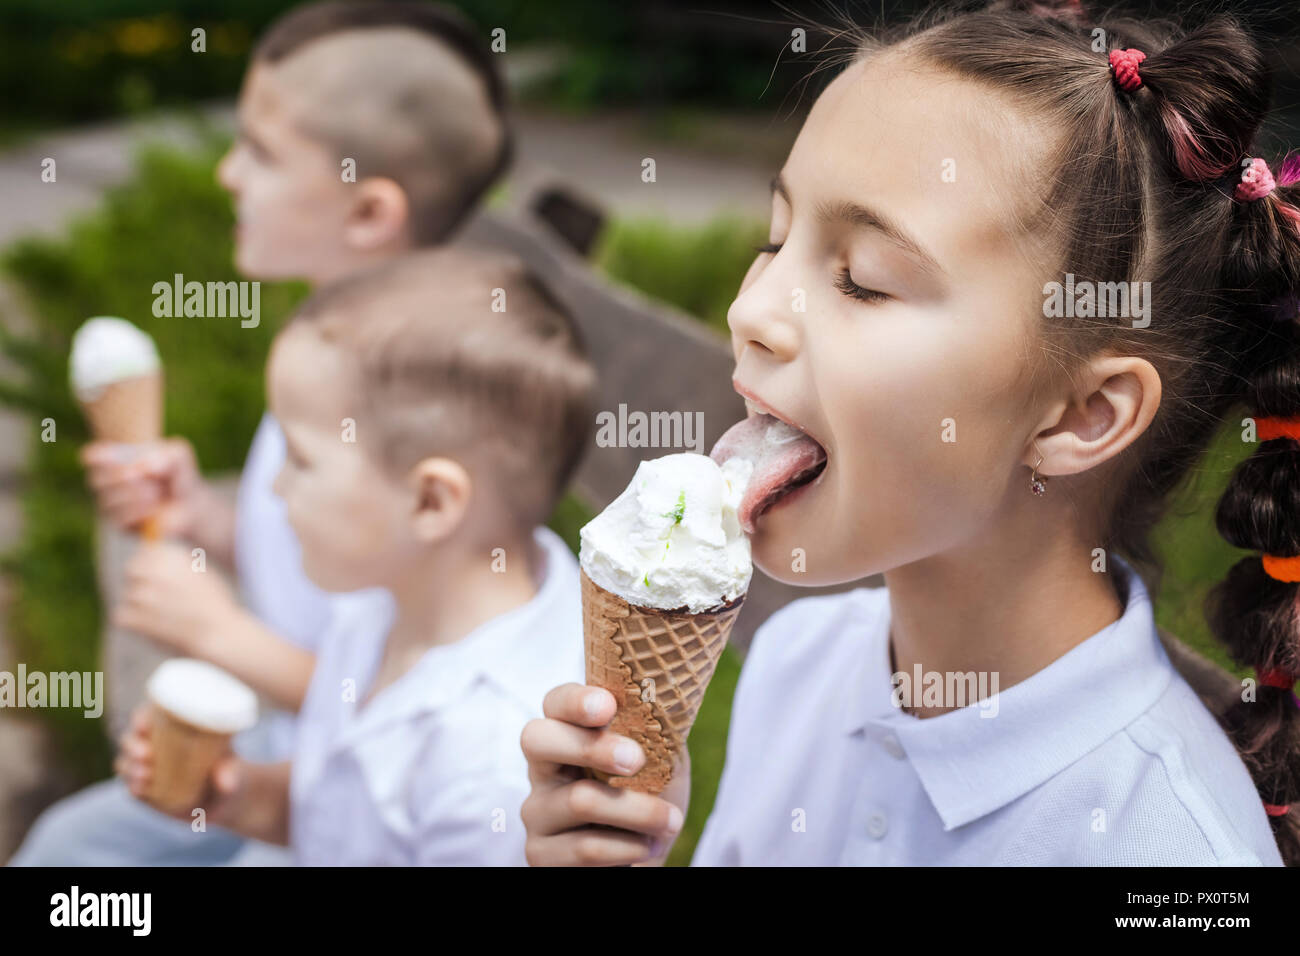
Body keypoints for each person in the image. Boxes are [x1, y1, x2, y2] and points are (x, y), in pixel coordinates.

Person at [518, 0, 1299, 865]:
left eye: (861, 280)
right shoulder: (798, 663)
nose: (752, 309)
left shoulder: (1171, 852)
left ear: (1083, 415)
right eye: (777, 240)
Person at [10, 0, 511, 866]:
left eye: (262, 151)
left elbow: (404, 702)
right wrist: (201, 513)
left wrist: (217, 634)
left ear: (368, 214)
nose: (227, 174)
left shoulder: (421, 407)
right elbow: (300, 551)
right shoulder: (326, 346)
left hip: (352, 784)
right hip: (290, 751)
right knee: (69, 846)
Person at [117, 247, 596, 865]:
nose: (272, 488)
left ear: (430, 502)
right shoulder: (390, 595)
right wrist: (228, 800)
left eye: (301, 459)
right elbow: (342, 821)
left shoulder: (492, 765)